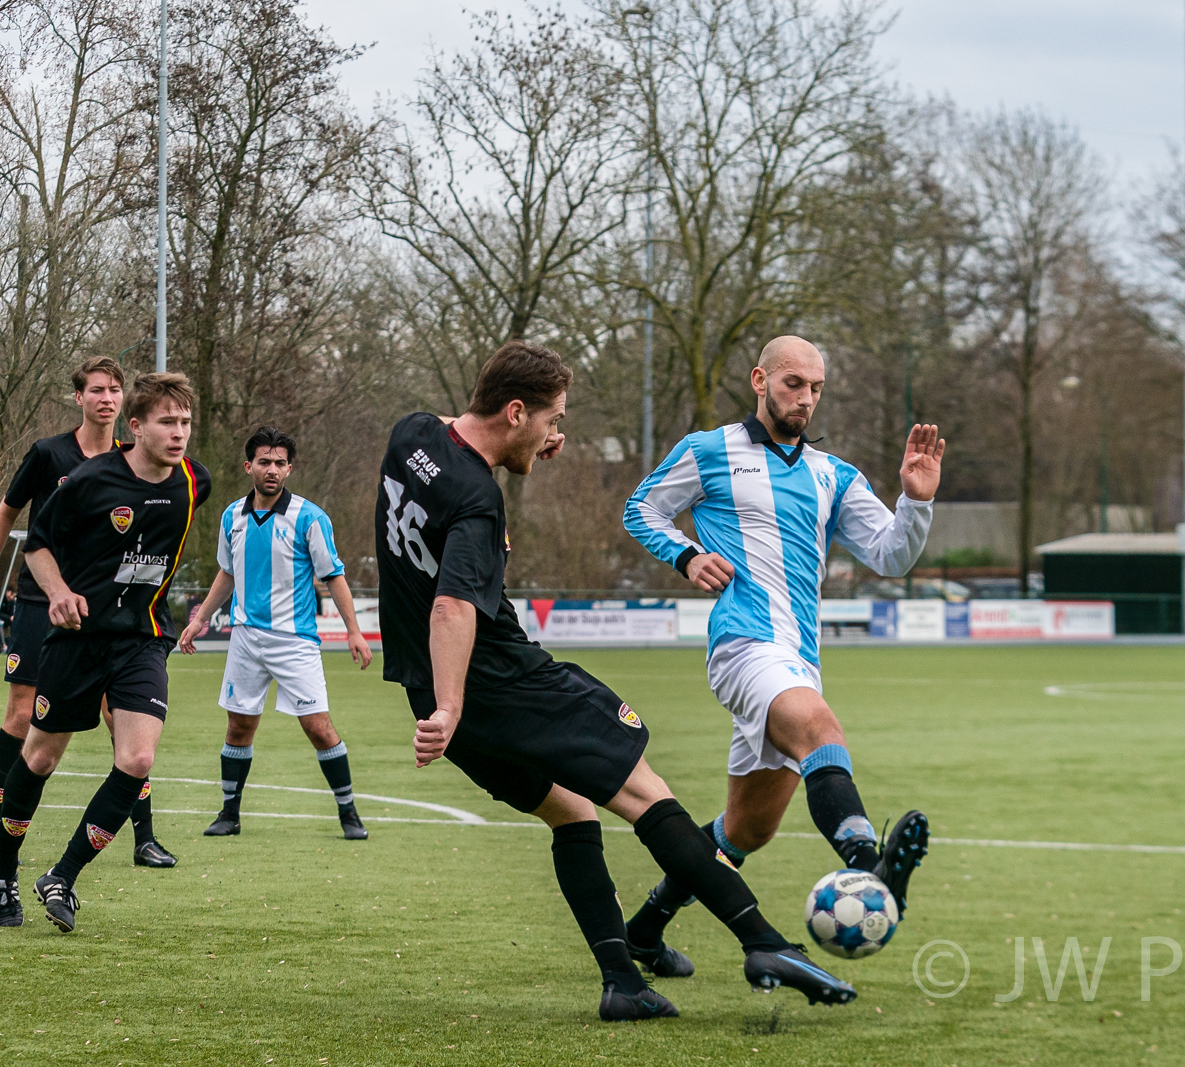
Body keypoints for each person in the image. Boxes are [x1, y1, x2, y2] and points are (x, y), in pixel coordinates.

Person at [379, 340, 855, 1021]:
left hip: (425, 688)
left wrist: (441, 704)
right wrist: (452, 705)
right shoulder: (480, 503)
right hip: (499, 683)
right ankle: (763, 941)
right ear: (516, 411)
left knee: (571, 810)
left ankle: (622, 982)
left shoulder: (413, 434)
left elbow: (448, 479)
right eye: (550, 420)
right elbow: (453, 604)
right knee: (644, 791)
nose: (556, 432)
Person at [619, 335, 940, 978]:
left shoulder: (833, 475)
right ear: (760, 380)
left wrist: (917, 501)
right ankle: (864, 861)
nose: (806, 398)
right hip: (743, 645)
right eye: (794, 383)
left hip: (799, 659)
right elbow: (640, 508)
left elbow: (890, 556)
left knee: (745, 831)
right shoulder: (710, 450)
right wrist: (686, 555)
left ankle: (644, 931)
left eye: (817, 388)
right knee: (821, 728)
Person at [0, 372, 211, 931]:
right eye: (167, 422)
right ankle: (4, 872)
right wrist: (59, 593)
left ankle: (61, 875)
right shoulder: (88, 481)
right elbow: (35, 544)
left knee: (136, 760)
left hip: (143, 639)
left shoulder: (194, 480)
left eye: (185, 422)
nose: (180, 433)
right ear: (135, 428)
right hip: (77, 640)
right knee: (39, 758)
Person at [0, 356, 177, 869]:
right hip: (46, 601)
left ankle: (144, 836)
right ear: (79, 398)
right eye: (96, 390)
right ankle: (0, 832)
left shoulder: (142, 459)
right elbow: (8, 514)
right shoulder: (49, 454)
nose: (105, 398)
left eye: (114, 390)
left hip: (111, 614)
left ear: (125, 406)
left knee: (125, 723)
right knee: (24, 715)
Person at [178, 426, 375, 839]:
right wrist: (198, 620)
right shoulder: (232, 515)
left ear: (289, 469)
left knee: (318, 728)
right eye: (264, 462)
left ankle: (348, 812)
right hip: (246, 640)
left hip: (295, 641)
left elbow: (334, 577)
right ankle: (229, 814)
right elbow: (227, 573)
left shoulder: (309, 517)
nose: (272, 469)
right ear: (249, 466)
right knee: (239, 727)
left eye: (280, 463)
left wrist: (354, 632)